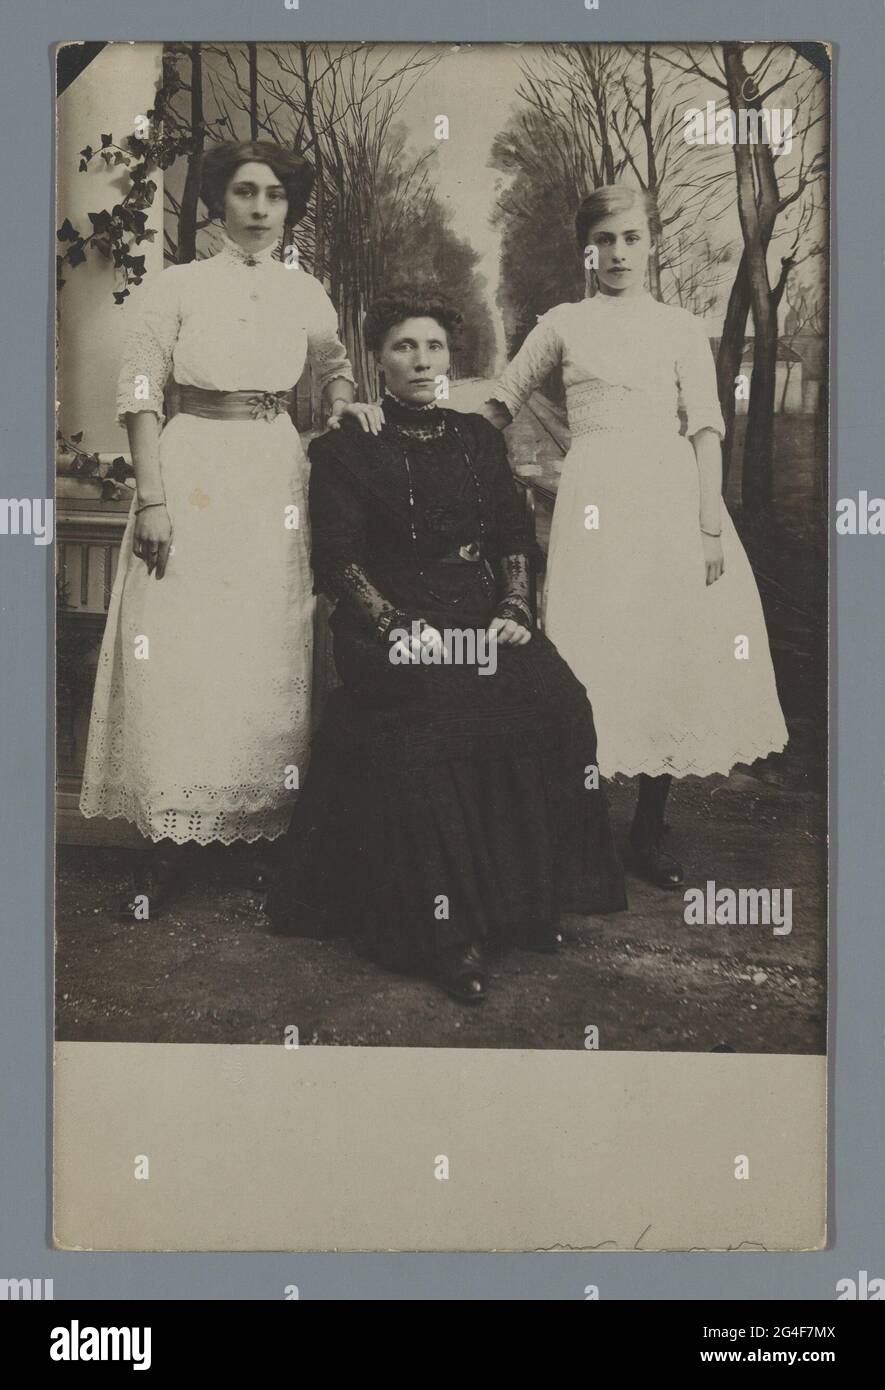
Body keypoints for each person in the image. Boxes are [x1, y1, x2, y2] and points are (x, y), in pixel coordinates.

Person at [265, 286, 628, 1003]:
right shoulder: (346, 448)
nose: (420, 359)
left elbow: (510, 536)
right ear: (378, 360)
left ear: (449, 357)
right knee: (433, 714)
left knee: (558, 699)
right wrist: (397, 627)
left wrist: (516, 605)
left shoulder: (477, 439)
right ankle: (444, 930)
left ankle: (524, 902)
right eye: (403, 345)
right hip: (386, 623)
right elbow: (338, 560)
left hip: (472, 610)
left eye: (432, 345)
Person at [78, 140, 377, 917]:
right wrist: (153, 499)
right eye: (243, 192)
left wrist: (342, 401)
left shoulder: (303, 292)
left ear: (289, 207)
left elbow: (334, 362)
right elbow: (142, 393)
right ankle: (168, 844)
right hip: (193, 468)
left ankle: (256, 832)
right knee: (181, 646)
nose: (257, 209)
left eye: (273, 196)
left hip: (275, 477)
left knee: (263, 644)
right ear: (217, 201)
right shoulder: (176, 288)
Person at [484, 183, 788, 888]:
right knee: (590, 652)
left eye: (630, 238)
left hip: (669, 501)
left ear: (650, 244)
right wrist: (425, 435)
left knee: (666, 651)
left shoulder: (679, 327)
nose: (617, 253)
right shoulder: (562, 323)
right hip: (593, 504)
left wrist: (709, 521)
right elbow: (500, 401)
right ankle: (581, 827)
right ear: (586, 251)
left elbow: (706, 428)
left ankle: (650, 826)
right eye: (603, 241)